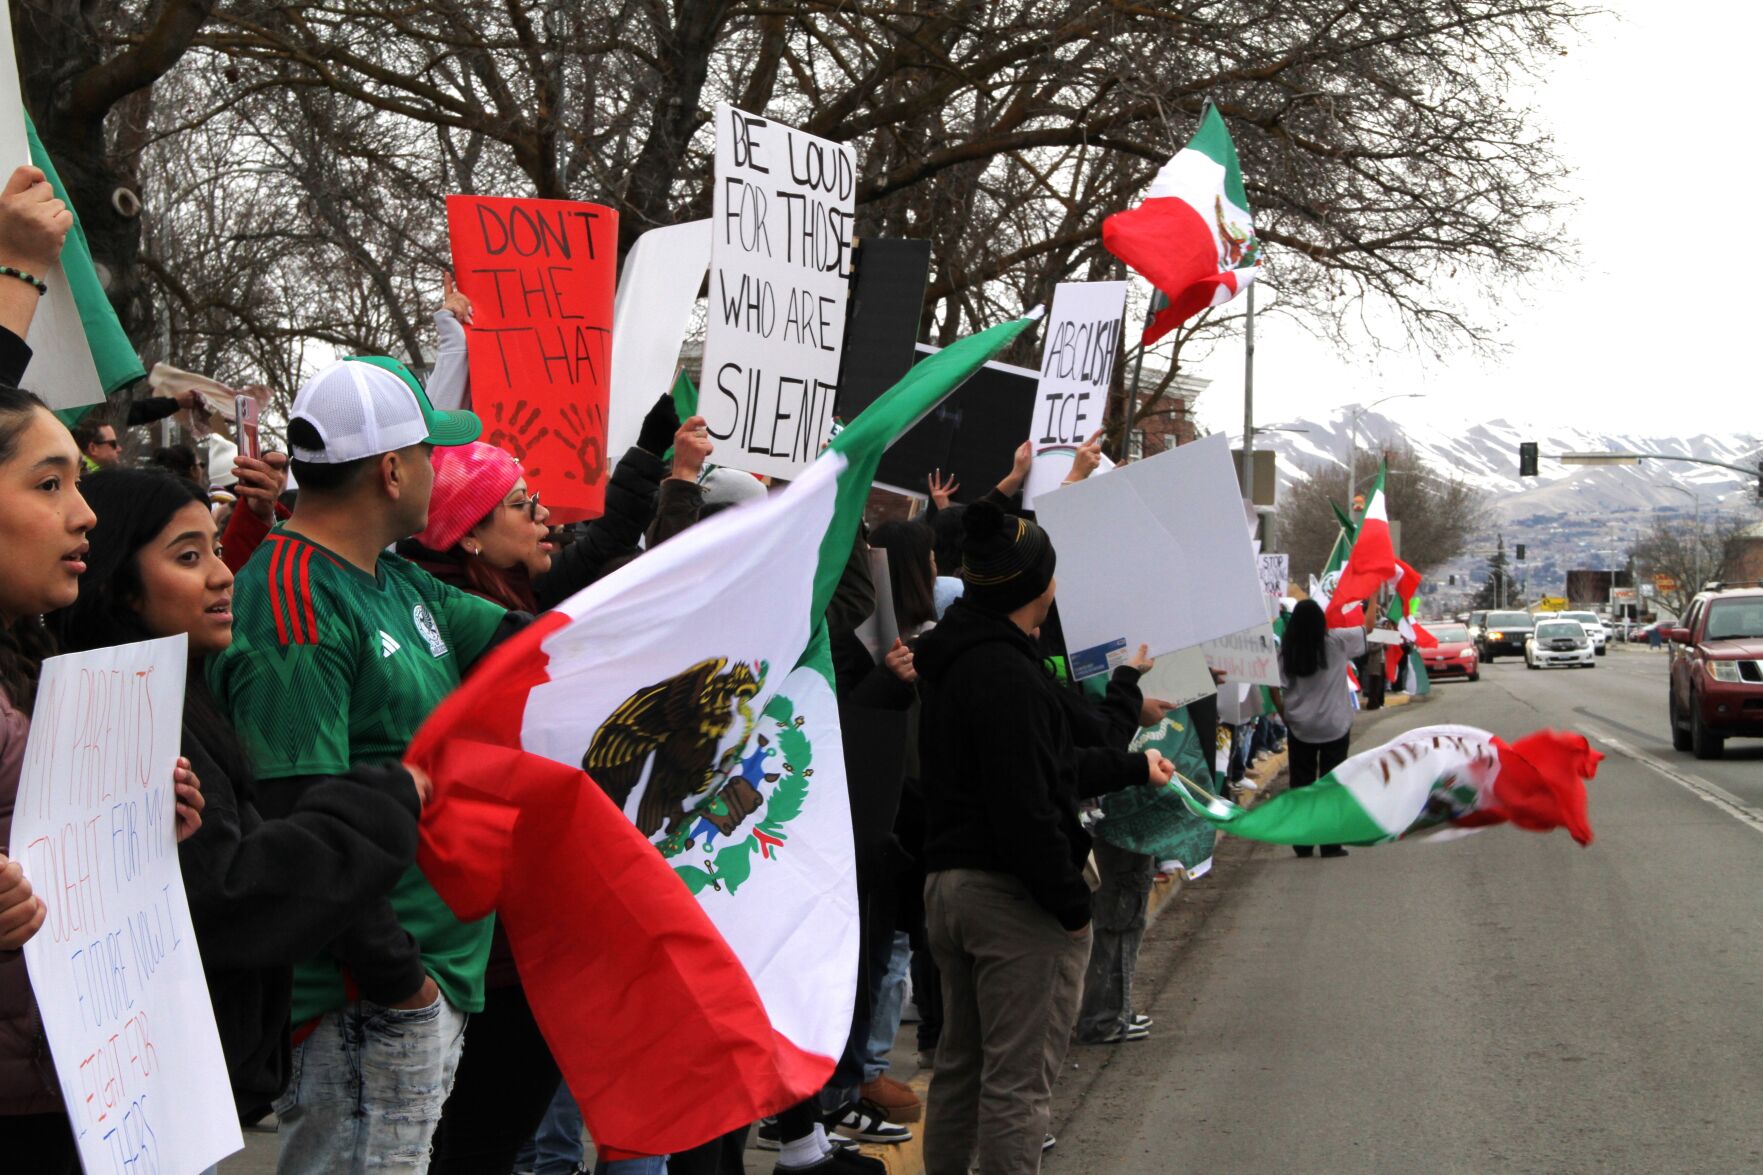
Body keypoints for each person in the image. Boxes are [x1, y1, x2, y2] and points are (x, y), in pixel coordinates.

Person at [207, 357, 518, 1174]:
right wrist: (397, 976)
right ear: (391, 471)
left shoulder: (394, 576)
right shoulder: (292, 599)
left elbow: (536, 645)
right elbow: (298, 822)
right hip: (367, 1000)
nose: (437, 469)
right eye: (428, 453)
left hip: (417, 984)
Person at [47, 469, 430, 1125]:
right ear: (117, 584)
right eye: (188, 557)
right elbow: (230, 895)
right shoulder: (122, 715)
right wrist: (382, 803)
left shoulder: (174, 694)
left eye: (218, 549)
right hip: (143, 1091)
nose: (224, 576)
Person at [410, 439, 664, 1175]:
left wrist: (651, 450)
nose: (545, 515)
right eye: (522, 505)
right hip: (493, 945)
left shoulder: (517, 603)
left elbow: (606, 544)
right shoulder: (471, 634)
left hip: (507, 938)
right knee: (479, 1146)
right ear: (469, 537)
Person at [914, 500, 1173, 1175]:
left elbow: (1052, 759)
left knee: (961, 1071)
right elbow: (1026, 802)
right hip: (1012, 897)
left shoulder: (962, 654)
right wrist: (1069, 904)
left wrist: (1132, 759)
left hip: (949, 886)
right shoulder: (1005, 673)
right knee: (1016, 1085)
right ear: (1038, 586)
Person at [0, 389, 203, 1169]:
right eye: (49, 484)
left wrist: (135, 827)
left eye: (78, 483)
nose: (84, 513)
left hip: (76, 1091)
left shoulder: (34, 659)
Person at [1270, 598, 1374, 859]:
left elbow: (1273, 685)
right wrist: (1372, 597)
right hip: (1334, 725)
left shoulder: (1286, 651)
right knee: (1332, 784)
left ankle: (1303, 844)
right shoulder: (1337, 642)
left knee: (1301, 784)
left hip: (1301, 727)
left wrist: (1285, 715)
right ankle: (1330, 844)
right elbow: (1369, 627)